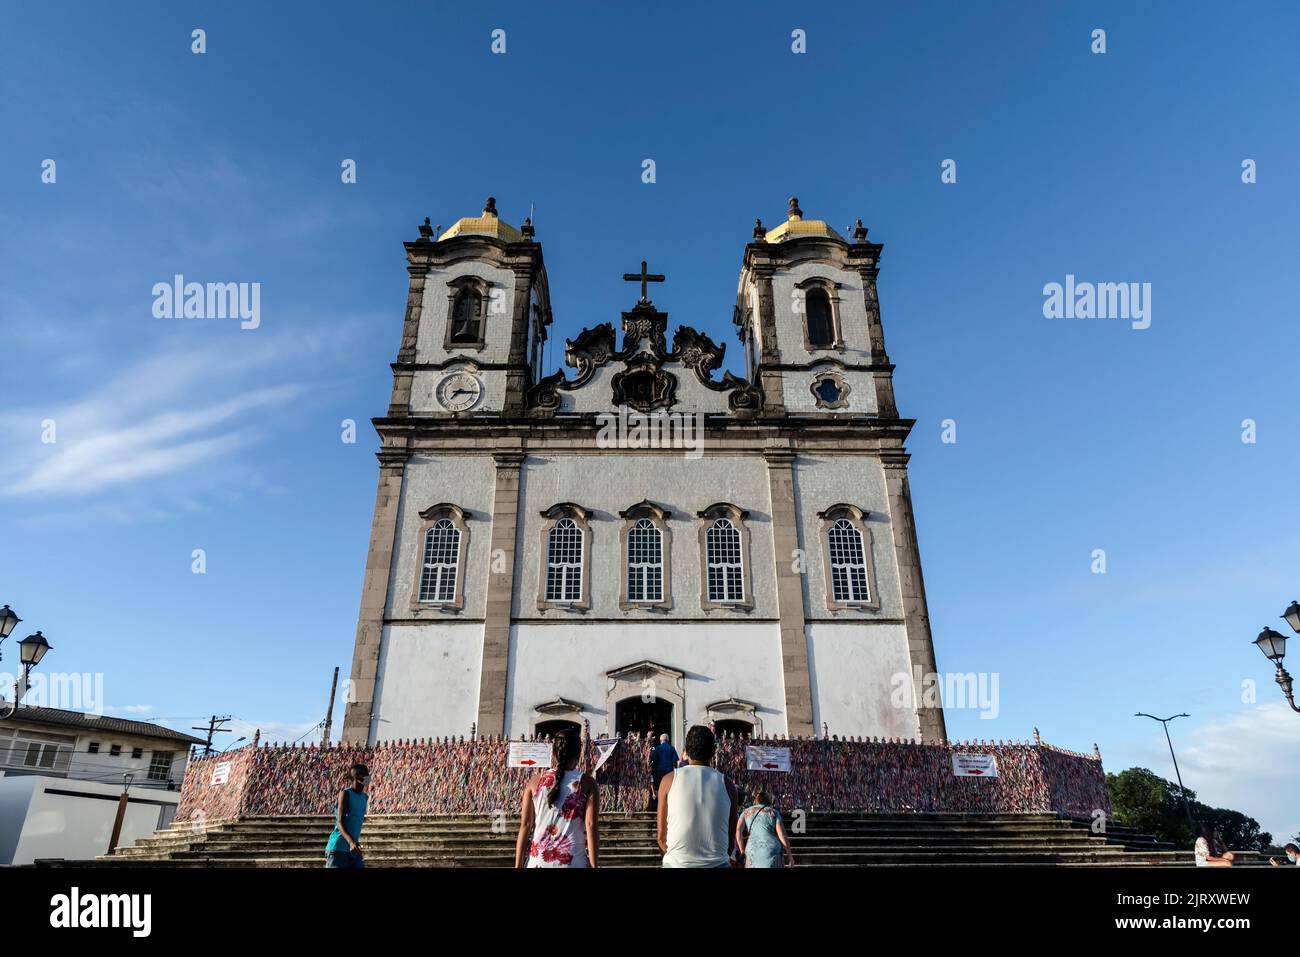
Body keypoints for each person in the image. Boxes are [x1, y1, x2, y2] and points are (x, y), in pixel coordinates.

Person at [515, 728, 599, 868]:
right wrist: (594, 865)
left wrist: (517, 865)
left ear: (553, 752)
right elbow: (591, 826)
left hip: (538, 861)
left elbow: (525, 826)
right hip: (573, 861)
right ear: (579, 754)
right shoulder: (587, 783)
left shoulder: (534, 782)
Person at [657, 724, 738, 868]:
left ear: (686, 751)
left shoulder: (668, 781)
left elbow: (661, 838)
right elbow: (731, 841)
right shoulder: (728, 784)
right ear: (713, 751)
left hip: (677, 863)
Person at [736, 787, 794, 868]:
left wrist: (742, 850)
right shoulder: (773, 812)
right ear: (768, 801)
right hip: (772, 849)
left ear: (756, 800)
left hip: (752, 849)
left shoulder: (746, 812)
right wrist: (790, 856)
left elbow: (738, 831)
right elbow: (782, 835)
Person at [325, 763, 370, 868]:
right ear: (358, 777)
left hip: (353, 849)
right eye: (366, 774)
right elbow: (340, 822)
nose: (368, 777)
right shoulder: (345, 794)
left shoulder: (365, 797)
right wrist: (351, 842)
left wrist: (353, 843)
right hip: (338, 849)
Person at [648, 733, 679, 811]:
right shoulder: (671, 748)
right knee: (670, 789)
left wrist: (653, 771)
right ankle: (669, 807)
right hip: (669, 772)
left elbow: (654, 761)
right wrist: (675, 772)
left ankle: (660, 807)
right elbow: (675, 762)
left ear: (660, 740)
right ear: (668, 740)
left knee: (660, 789)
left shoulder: (657, 749)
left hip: (659, 772)